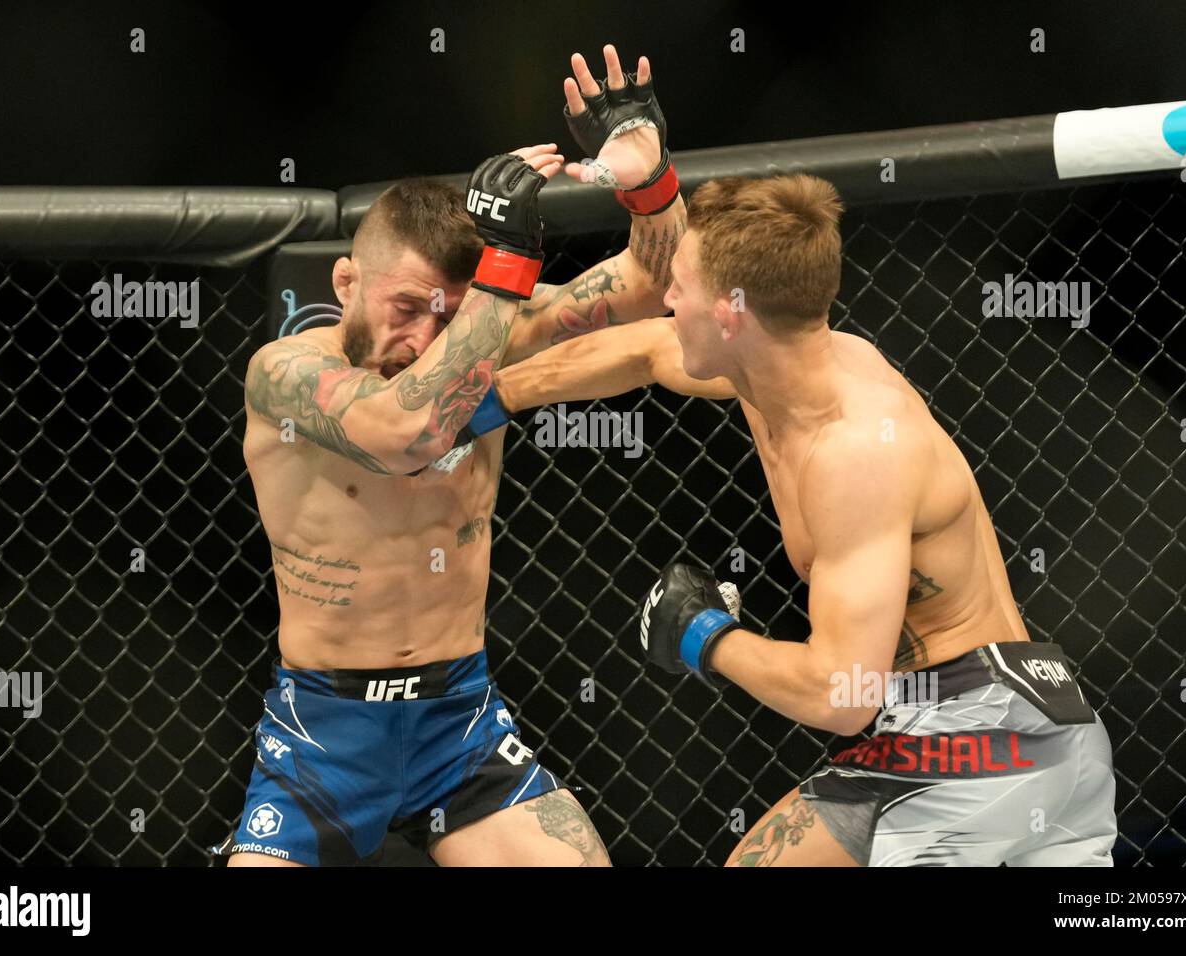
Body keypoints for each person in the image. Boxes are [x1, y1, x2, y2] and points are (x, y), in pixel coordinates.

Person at [491, 172, 1118, 866]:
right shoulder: (779, 368)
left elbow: (840, 692)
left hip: (977, 733)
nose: (666, 298)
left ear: (731, 314)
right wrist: (489, 401)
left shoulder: (854, 452)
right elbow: (643, 350)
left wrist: (704, 635)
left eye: (681, 284)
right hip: (1033, 726)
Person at [221, 45, 686, 867]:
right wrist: (502, 276)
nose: (425, 339)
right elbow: (409, 434)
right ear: (344, 284)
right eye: (405, 308)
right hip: (326, 731)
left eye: (447, 316)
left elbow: (656, 288)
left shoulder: (486, 331)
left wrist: (648, 179)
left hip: (460, 720)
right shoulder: (286, 375)